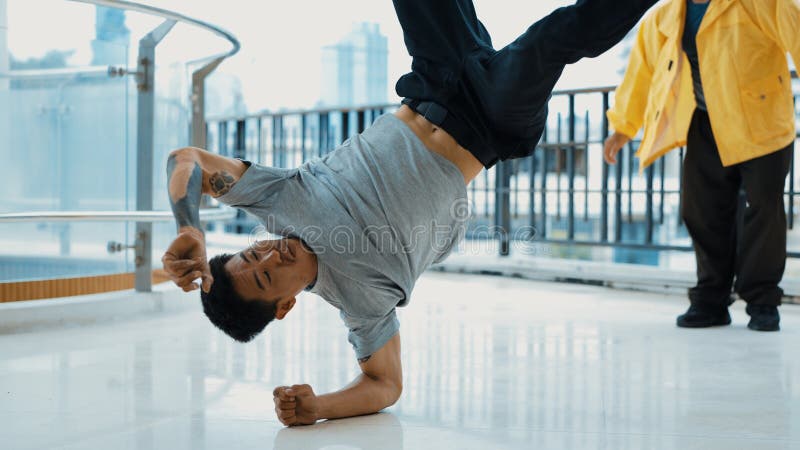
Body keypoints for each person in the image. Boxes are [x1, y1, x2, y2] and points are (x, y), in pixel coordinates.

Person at [163, 0, 657, 426]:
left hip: (436, 81)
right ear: (285, 306)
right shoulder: (359, 301)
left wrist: (189, 224)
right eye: (268, 278)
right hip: (489, 122)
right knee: (550, 39)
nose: (272, 256)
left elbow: (187, 160)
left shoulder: (278, 202)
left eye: (253, 255)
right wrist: (320, 408)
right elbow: (385, 384)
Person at [604, 0, 800, 332]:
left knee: (763, 210)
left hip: (762, 121)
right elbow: (642, 71)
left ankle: (762, 302)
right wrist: (624, 126)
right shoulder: (665, 16)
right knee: (701, 211)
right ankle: (710, 301)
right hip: (707, 123)